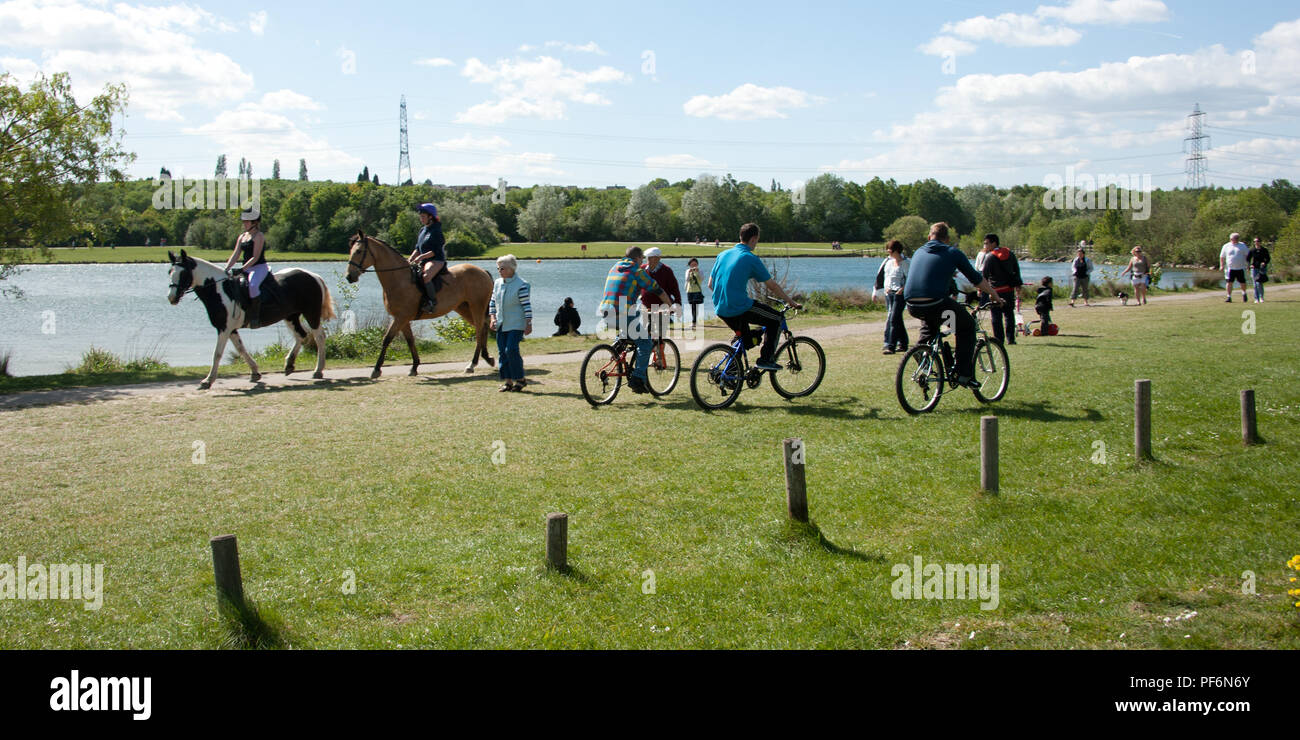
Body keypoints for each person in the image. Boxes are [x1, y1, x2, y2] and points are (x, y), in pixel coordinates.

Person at [903, 222, 1004, 389]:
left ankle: (921, 350)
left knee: (932, 324)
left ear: (929, 237)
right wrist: (994, 295)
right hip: (936, 302)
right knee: (966, 326)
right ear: (947, 239)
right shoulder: (953, 252)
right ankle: (964, 375)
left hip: (912, 304)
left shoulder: (919, 251)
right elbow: (976, 279)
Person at [709, 223, 802, 371]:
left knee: (746, 340)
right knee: (777, 319)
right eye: (757, 240)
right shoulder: (750, 258)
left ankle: (731, 374)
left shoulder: (723, 255)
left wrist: (727, 294)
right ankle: (766, 359)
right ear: (753, 239)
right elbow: (771, 285)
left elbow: (710, 284)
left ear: (741, 236)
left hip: (720, 308)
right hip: (740, 307)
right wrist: (790, 302)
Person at [599, 246, 675, 394]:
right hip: (623, 312)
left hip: (605, 311)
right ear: (639, 258)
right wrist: (671, 306)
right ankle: (637, 379)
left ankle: (617, 347)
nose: (643, 262)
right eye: (642, 259)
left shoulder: (615, 266)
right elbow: (657, 289)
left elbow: (623, 290)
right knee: (645, 343)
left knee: (628, 331)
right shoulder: (637, 271)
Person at [488, 254, 532, 392]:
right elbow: (493, 302)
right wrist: (492, 318)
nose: (499, 271)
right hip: (501, 323)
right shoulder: (497, 283)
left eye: (502, 268)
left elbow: (526, 306)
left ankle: (520, 379)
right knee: (502, 352)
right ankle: (508, 382)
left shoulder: (522, 285)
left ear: (511, 269)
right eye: (498, 268)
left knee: (511, 349)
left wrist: (528, 323)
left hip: (516, 323)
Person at [223, 206, 270, 327]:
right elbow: (235, 255)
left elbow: (255, 257)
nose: (244, 223)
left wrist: (241, 269)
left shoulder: (259, 236)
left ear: (254, 222)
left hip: (259, 268)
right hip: (247, 268)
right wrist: (226, 268)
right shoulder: (242, 237)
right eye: (244, 221)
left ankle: (255, 317)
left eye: (246, 221)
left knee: (253, 286)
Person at [980, 233, 1022, 346]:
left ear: (994, 243)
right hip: (1009, 289)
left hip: (995, 291)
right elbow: (1016, 271)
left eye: (986, 243)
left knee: (996, 317)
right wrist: (1018, 285)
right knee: (1009, 315)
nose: (985, 245)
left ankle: (999, 340)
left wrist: (981, 289)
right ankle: (1011, 339)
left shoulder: (990, 257)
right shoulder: (1010, 254)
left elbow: (984, 275)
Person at [872, 239, 909, 354]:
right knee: (897, 319)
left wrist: (902, 289)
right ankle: (903, 343)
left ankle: (890, 345)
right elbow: (885, 276)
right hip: (889, 294)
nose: (889, 253)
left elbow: (910, 279)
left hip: (900, 295)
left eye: (890, 251)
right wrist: (884, 289)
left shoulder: (906, 263)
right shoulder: (888, 262)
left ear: (897, 251)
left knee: (893, 319)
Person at [408, 203, 446, 314]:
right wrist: (409, 260)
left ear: (430, 217)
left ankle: (432, 303)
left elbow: (435, 251)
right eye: (420, 216)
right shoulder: (422, 230)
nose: (421, 219)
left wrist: (421, 257)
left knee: (426, 276)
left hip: (436, 260)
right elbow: (417, 248)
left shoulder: (436, 231)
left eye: (423, 217)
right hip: (424, 259)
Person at [639, 247, 682, 340]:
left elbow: (675, 289)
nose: (649, 260)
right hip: (646, 306)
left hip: (662, 307)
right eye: (648, 258)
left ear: (658, 258)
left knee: (660, 335)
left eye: (652, 258)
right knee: (646, 333)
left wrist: (677, 304)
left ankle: (659, 353)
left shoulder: (666, 270)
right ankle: (648, 353)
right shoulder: (642, 269)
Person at [1219, 232, 1250, 303]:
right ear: (1230, 239)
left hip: (1240, 268)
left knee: (1242, 282)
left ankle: (1244, 293)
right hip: (1230, 268)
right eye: (1233, 238)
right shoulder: (1226, 246)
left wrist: (1248, 264)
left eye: (1237, 238)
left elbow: (1247, 255)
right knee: (1229, 282)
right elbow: (1222, 256)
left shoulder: (1242, 245)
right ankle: (1229, 297)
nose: (1235, 240)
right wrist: (1222, 265)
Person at [684, 257, 706, 329]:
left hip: (697, 291)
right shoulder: (687, 271)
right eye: (692, 264)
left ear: (697, 264)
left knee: (696, 307)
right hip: (689, 291)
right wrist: (690, 272)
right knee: (692, 307)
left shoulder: (700, 271)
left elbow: (702, 279)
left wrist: (697, 272)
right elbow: (687, 280)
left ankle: (694, 322)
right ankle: (694, 321)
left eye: (695, 264)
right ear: (689, 265)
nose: (693, 266)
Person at [1248, 237, 1271, 303]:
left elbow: (1268, 258)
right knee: (1255, 284)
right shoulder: (1252, 250)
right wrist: (1250, 265)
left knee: (1259, 283)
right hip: (1254, 268)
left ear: (1260, 242)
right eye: (1255, 241)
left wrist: (1264, 262)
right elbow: (1248, 259)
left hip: (1262, 268)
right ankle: (1256, 298)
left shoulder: (1264, 250)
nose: (1256, 242)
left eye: (1257, 241)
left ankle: (1261, 297)